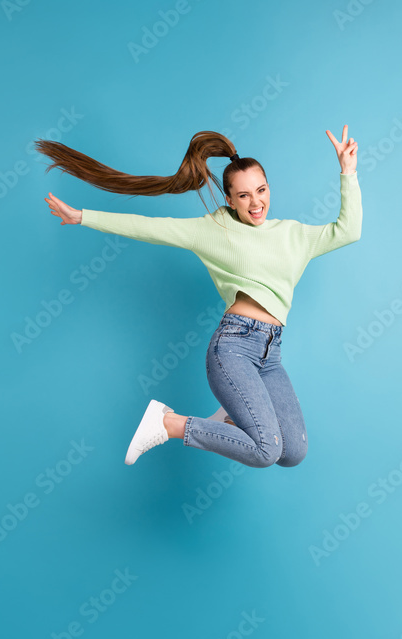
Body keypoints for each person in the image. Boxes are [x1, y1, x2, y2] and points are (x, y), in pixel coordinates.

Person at [35, 127, 361, 468]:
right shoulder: (215, 230)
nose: (256, 202)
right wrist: (83, 217)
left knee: (292, 452)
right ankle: (168, 423)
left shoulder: (294, 235)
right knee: (266, 451)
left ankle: (230, 416)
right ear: (230, 200)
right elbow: (149, 227)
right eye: (244, 195)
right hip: (234, 346)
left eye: (261, 190)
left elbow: (348, 230)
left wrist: (347, 172)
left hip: (271, 353)